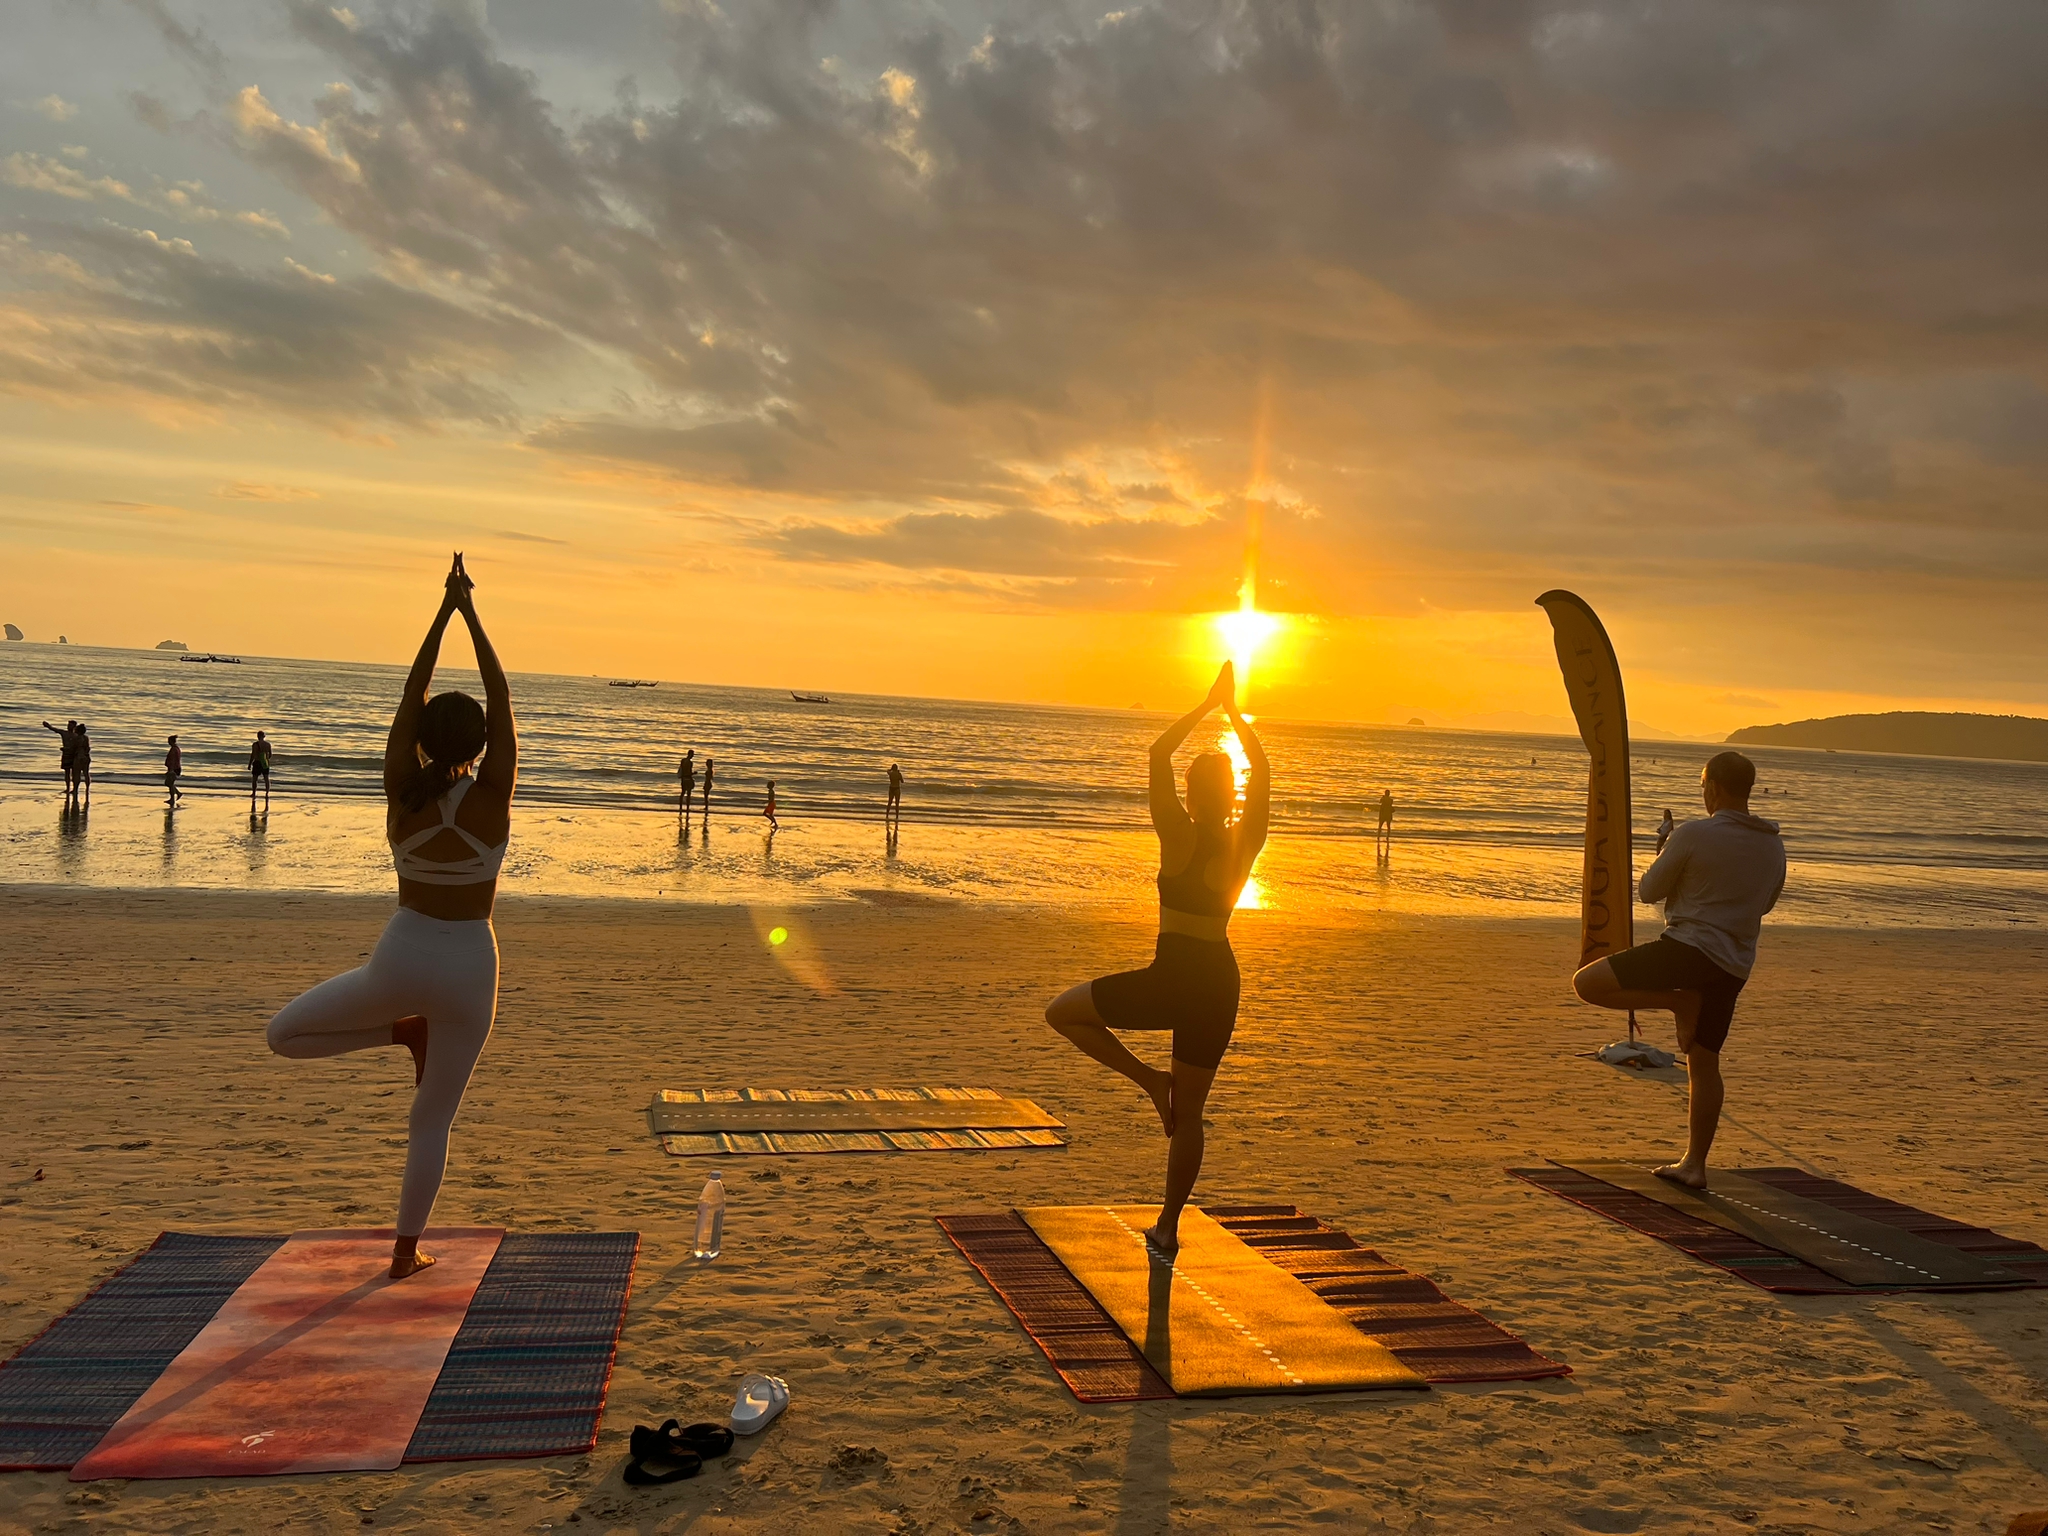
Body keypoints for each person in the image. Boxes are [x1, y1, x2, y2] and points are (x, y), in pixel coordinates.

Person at [265, 554, 516, 1280]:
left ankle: (399, 1033)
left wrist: (443, 610)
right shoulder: (493, 796)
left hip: (400, 958)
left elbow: (413, 693)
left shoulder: (400, 788)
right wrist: (471, 612)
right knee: (431, 1120)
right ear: (480, 746)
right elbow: (501, 697)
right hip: (470, 966)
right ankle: (405, 1253)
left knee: (284, 1037)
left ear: (423, 741)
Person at [1044, 661, 1269, 1257]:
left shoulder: (1176, 832)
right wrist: (1234, 714)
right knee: (1190, 1115)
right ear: (1232, 793)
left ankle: (1148, 1081)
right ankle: (1167, 1226)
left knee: (1061, 1012)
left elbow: (1157, 752)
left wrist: (1206, 705)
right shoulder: (1246, 842)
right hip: (1217, 982)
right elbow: (1264, 770)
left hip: (1170, 979)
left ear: (1190, 794)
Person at [1571, 751, 1785, 1190]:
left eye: (1703, 785)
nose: (1703, 793)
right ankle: (1695, 1165)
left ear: (1714, 788)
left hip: (1689, 949)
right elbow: (1764, 904)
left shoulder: (1694, 833)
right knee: (1704, 1064)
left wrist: (1667, 852)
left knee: (1587, 983)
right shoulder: (1772, 844)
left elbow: (1649, 890)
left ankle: (1676, 1002)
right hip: (1734, 964)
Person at [42, 720, 80, 801]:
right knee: (67, 772)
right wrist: (48, 726)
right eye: (68, 725)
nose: (69, 727)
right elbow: (55, 729)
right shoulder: (64, 733)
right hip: (66, 754)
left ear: (74, 727)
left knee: (74, 773)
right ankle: (67, 788)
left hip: (73, 755)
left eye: (71, 725)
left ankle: (75, 789)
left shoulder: (76, 736)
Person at [249, 731, 273, 810]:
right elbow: (270, 755)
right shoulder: (268, 744)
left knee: (255, 779)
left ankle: (254, 793)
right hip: (265, 762)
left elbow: (253, 755)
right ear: (264, 736)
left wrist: (249, 764)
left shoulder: (255, 744)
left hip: (257, 762)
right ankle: (267, 793)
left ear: (257, 736)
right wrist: (265, 759)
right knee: (266, 778)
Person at [164, 735, 183, 806]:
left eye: (169, 741)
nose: (168, 742)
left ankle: (172, 799)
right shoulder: (176, 748)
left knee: (170, 783)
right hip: (175, 768)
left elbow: (172, 760)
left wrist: (171, 770)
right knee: (169, 783)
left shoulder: (173, 749)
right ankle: (177, 794)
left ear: (171, 741)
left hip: (174, 769)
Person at [1375, 789, 1394, 856]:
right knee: (1388, 826)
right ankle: (1387, 836)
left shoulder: (1384, 799)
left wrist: (1383, 798)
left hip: (1383, 814)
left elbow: (1380, 802)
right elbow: (1390, 805)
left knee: (1380, 825)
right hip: (1388, 814)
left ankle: (1378, 836)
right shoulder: (1391, 800)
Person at [679, 750, 696, 819]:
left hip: (683, 779)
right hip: (688, 779)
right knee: (688, 794)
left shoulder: (683, 760)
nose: (693, 756)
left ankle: (680, 807)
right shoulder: (690, 763)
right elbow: (689, 772)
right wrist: (694, 773)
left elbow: (682, 770)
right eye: (692, 754)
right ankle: (687, 808)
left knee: (682, 793)